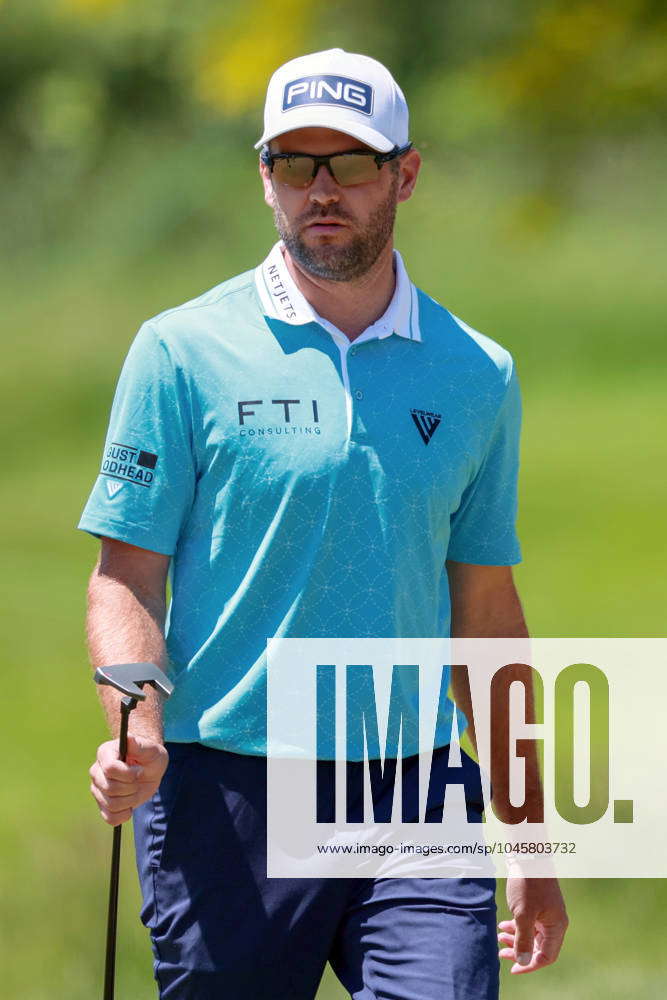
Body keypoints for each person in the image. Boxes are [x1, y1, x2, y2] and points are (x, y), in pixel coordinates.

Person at [80, 47, 568, 1000]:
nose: (320, 191)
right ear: (265, 178)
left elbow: (486, 612)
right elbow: (125, 577)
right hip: (230, 788)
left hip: (413, 782)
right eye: (293, 165)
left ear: (405, 174)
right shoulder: (180, 351)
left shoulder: (476, 373)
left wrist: (529, 834)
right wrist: (135, 722)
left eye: (348, 162)